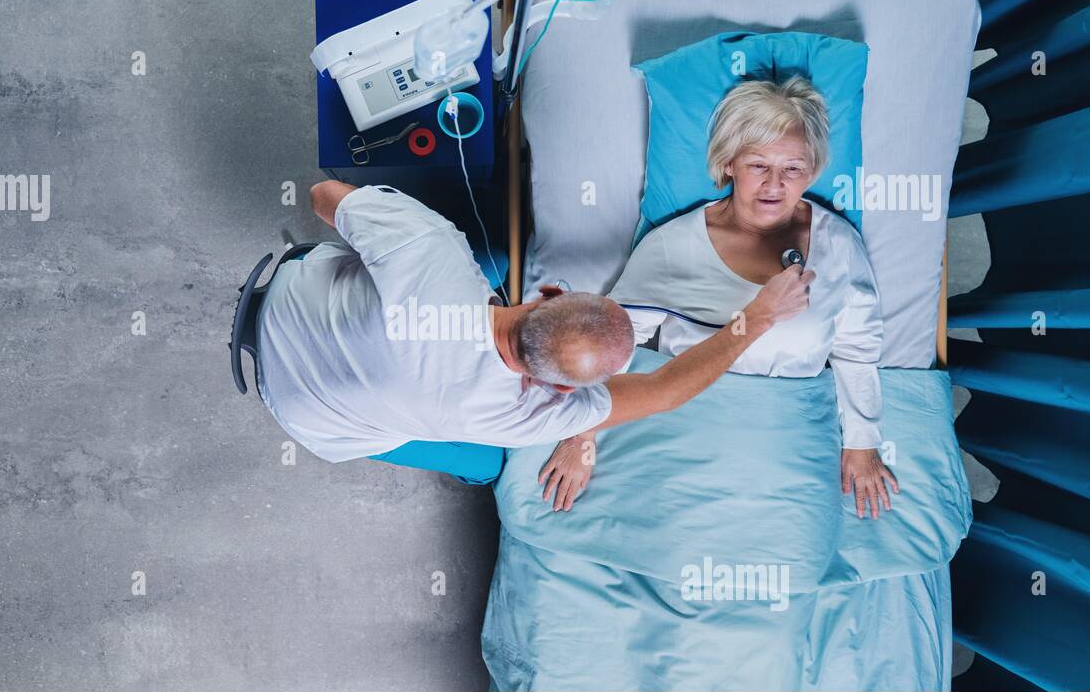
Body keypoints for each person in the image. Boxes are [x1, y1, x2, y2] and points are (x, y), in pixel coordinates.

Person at [252, 180, 811, 482]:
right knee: (489, 464)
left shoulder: (434, 249)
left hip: (285, 299)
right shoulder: (524, 421)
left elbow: (322, 195)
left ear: (548, 292)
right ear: (563, 389)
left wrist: (393, 221)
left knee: (493, 250)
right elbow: (664, 391)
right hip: (305, 414)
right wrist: (758, 318)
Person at [539, 76, 897, 517]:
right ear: (729, 163)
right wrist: (583, 435)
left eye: (793, 168)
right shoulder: (673, 247)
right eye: (758, 165)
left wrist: (862, 441)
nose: (774, 184)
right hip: (689, 416)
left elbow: (857, 350)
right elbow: (615, 343)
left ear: (813, 170)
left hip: (786, 429)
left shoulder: (838, 245)